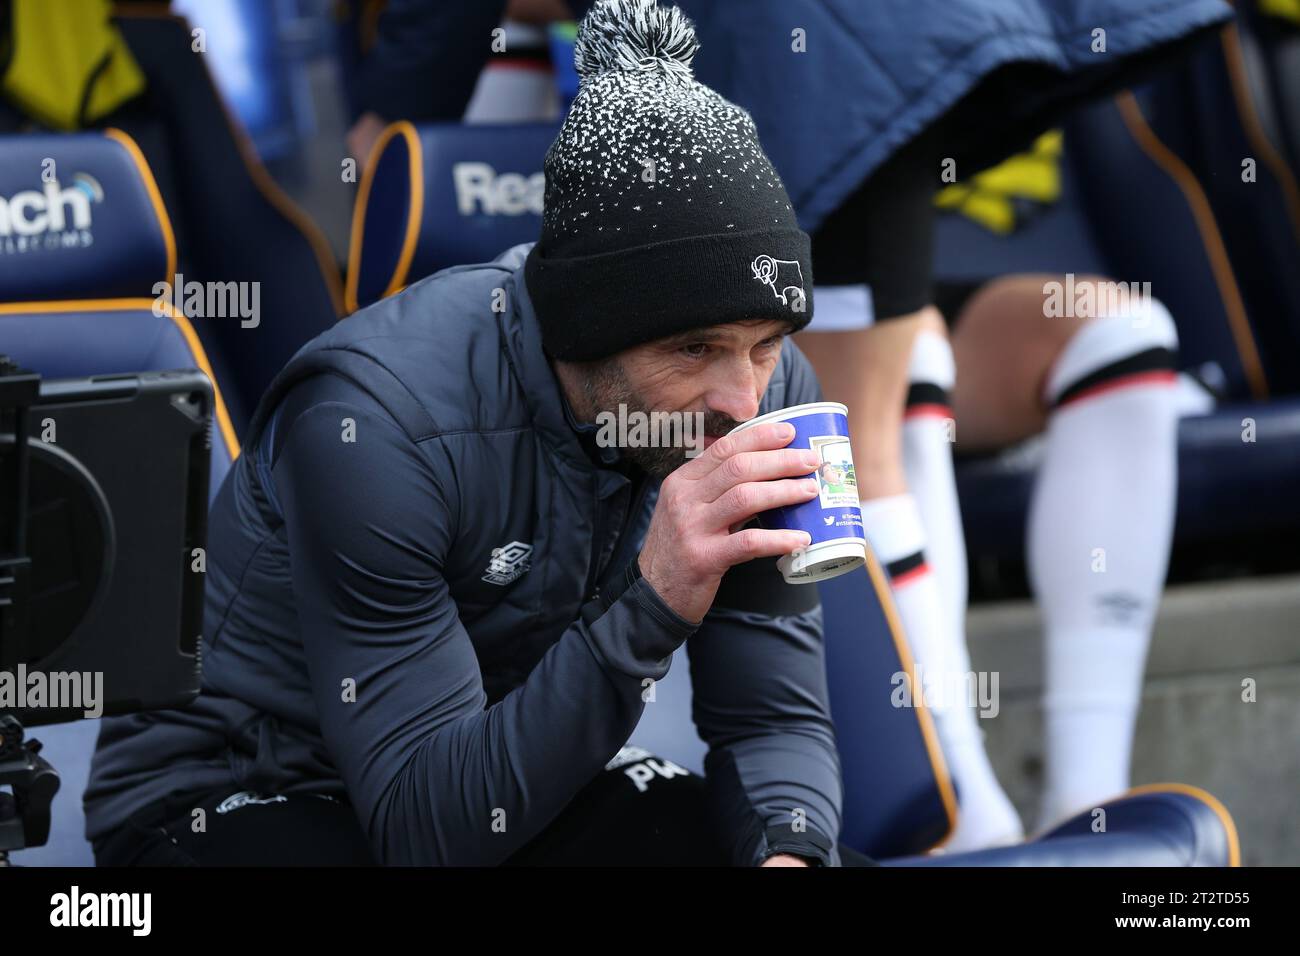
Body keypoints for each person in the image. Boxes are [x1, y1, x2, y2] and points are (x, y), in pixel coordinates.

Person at [84, 0, 877, 867]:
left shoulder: (765, 390)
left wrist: (787, 855)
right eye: (693, 349)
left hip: (501, 763)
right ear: (584, 329)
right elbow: (430, 834)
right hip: (237, 794)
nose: (741, 395)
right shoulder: (373, 420)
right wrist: (653, 602)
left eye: (765, 345)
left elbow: (772, 718)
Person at [676, 0, 1230, 849]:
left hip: (851, 87)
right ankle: (961, 805)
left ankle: (1088, 797)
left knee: (1126, 336)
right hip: (797, 101)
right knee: (869, 422)